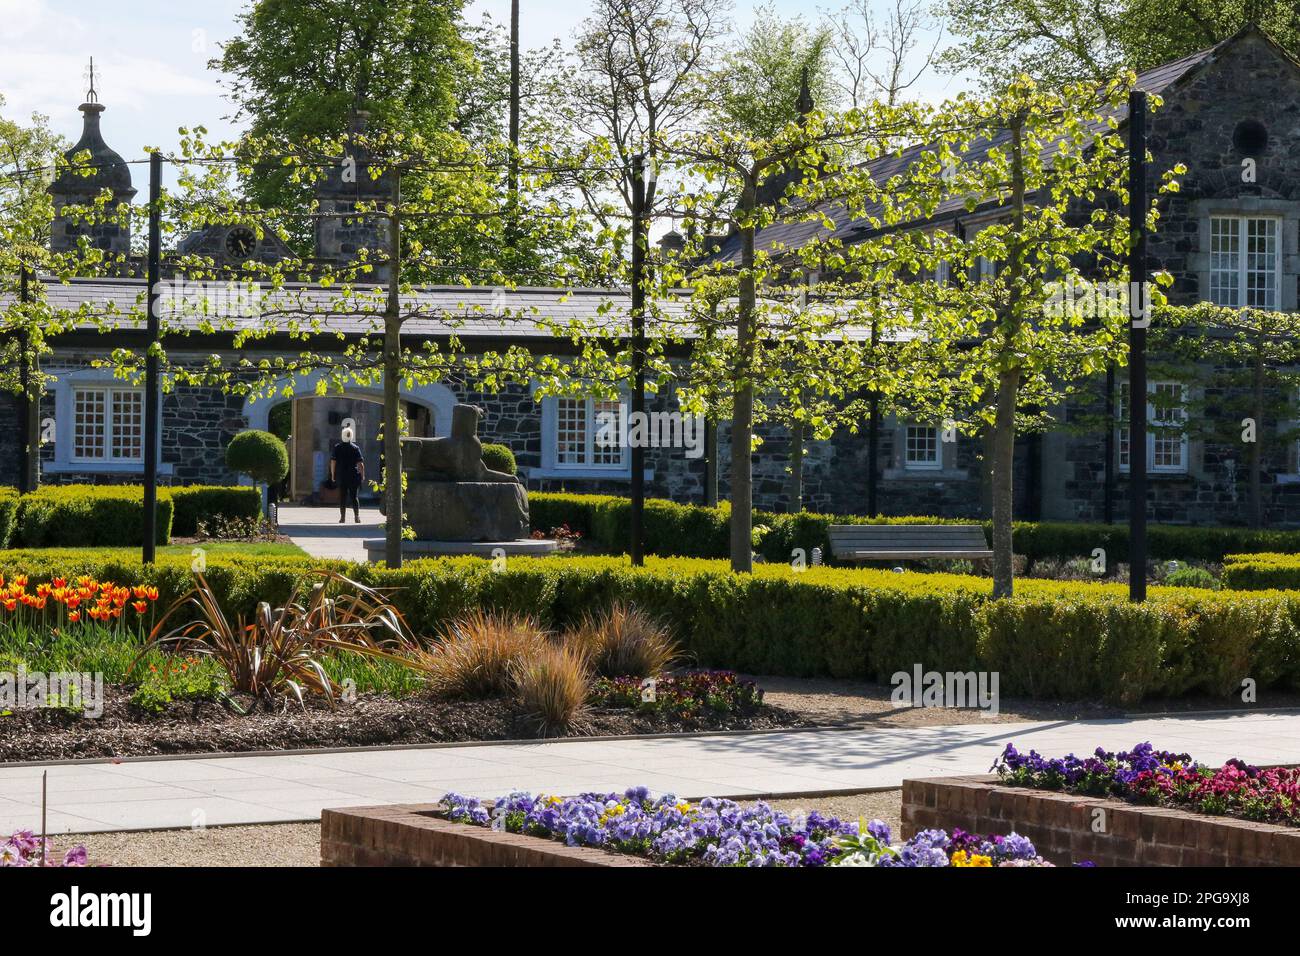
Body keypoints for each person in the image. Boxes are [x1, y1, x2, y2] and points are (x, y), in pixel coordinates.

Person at [330, 432, 365, 523]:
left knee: (342, 497)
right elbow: (360, 464)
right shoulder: (355, 448)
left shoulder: (337, 447)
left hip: (341, 475)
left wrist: (333, 474)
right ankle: (357, 517)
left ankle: (342, 518)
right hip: (353, 475)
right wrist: (362, 475)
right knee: (354, 497)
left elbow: (333, 462)